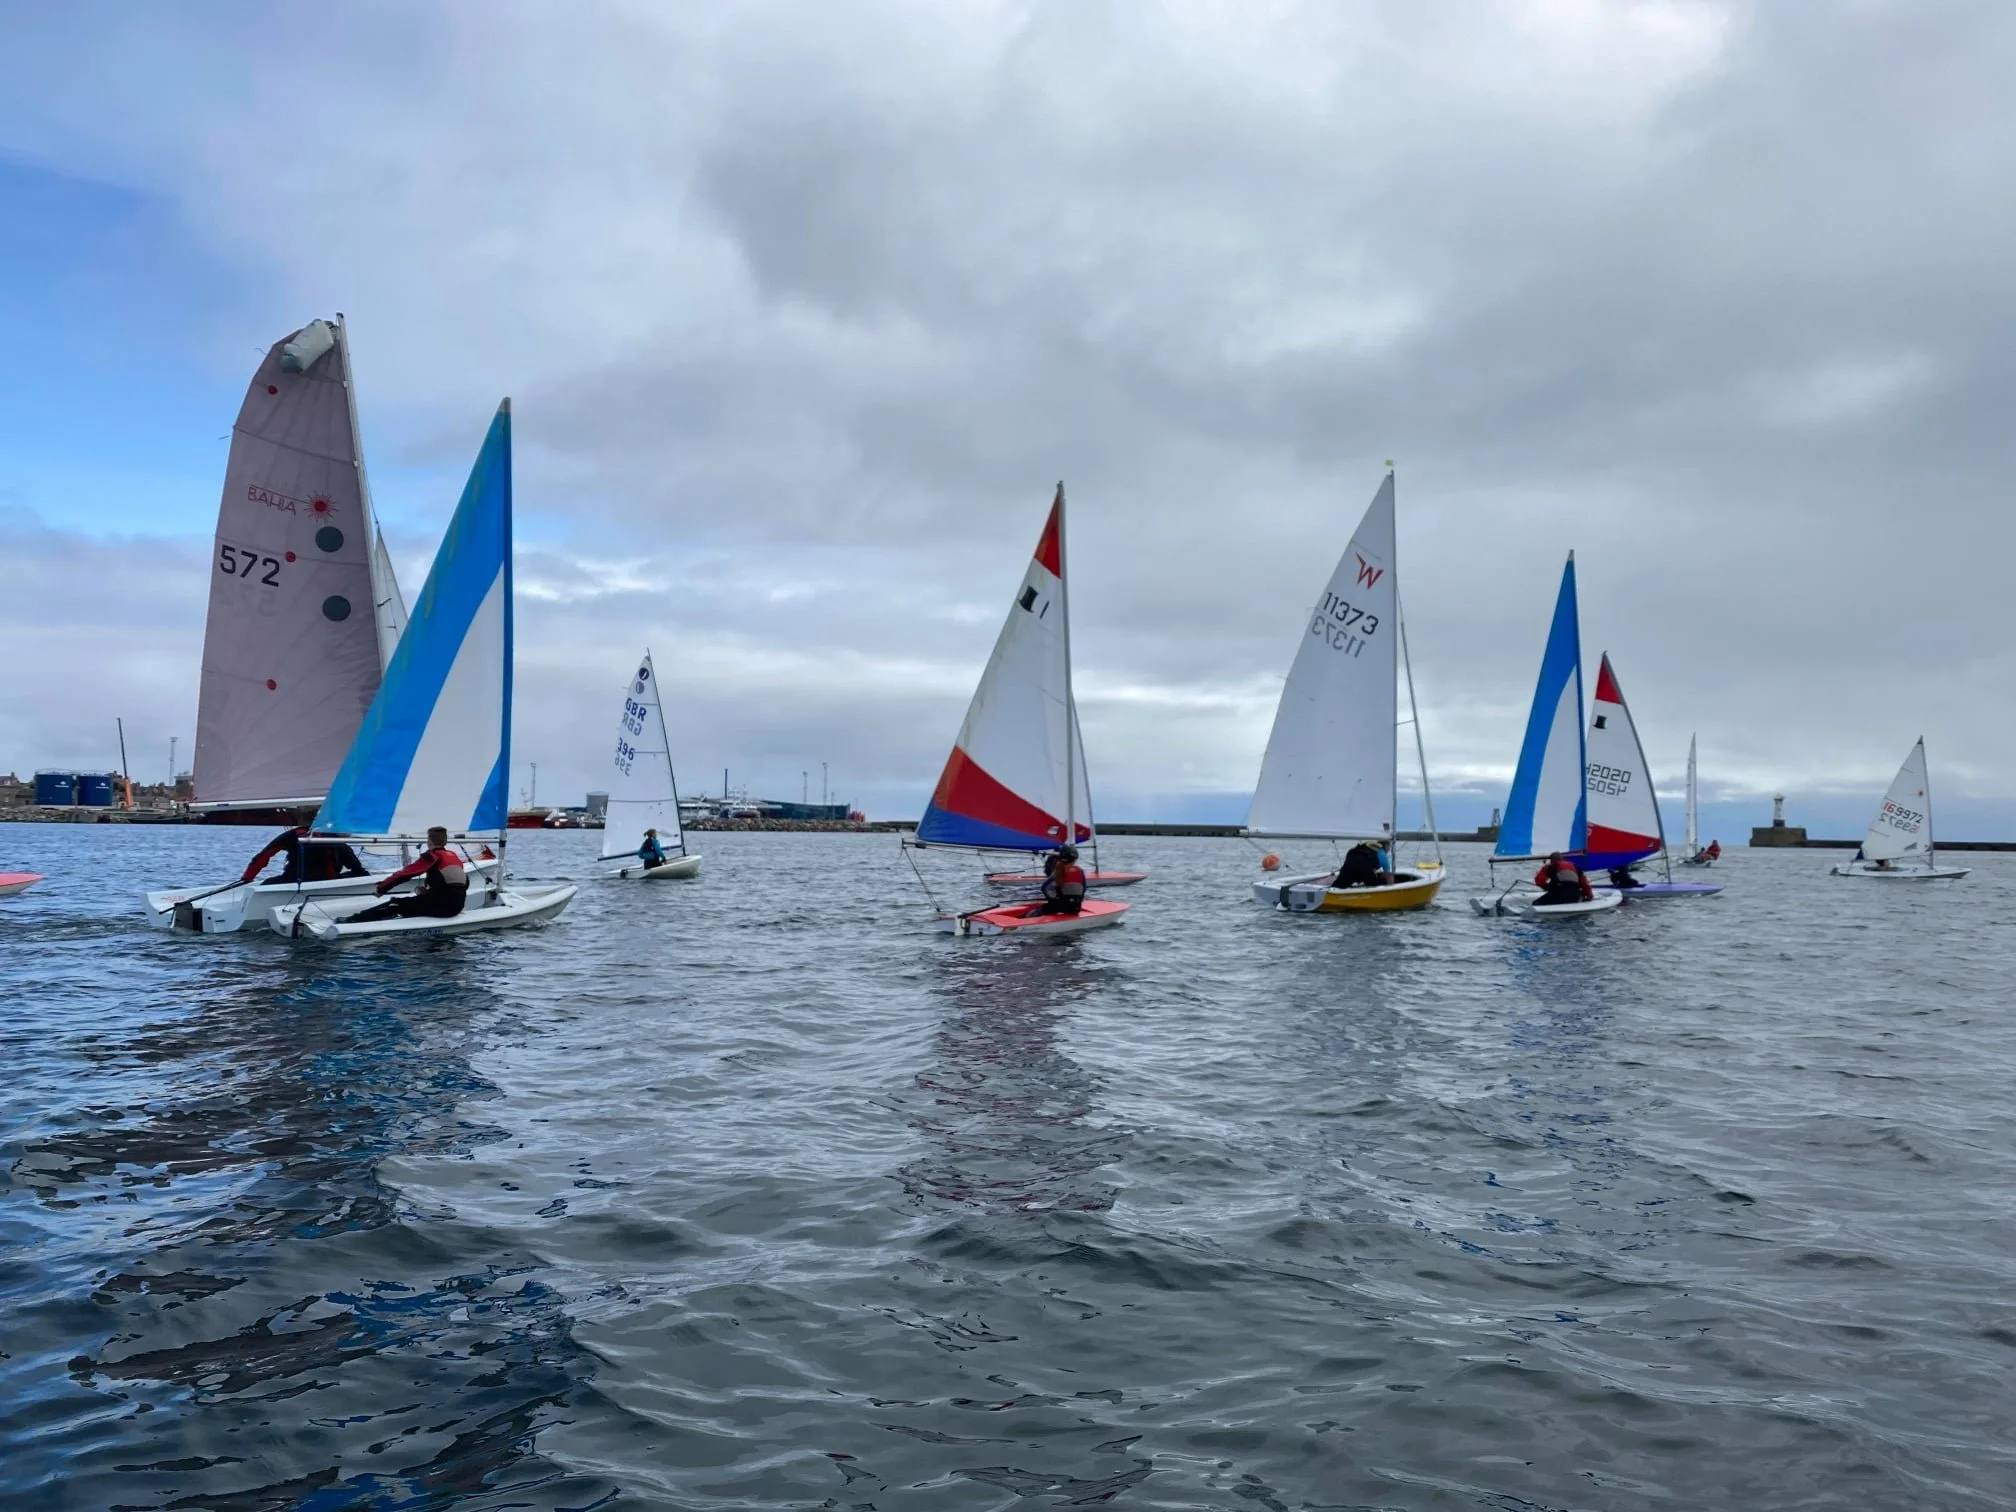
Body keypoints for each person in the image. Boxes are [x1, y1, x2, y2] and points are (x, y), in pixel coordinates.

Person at [349, 827, 469, 922]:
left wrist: (381, 888)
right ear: (445, 841)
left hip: (442, 908)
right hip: (457, 906)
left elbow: (405, 874)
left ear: (429, 841)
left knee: (394, 903)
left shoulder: (432, 856)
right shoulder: (453, 856)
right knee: (413, 902)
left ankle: (354, 920)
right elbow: (458, 883)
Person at [241, 826, 368, 885]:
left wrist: (248, 877)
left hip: (293, 882)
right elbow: (358, 870)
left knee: (266, 883)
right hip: (327, 884)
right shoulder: (341, 845)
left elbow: (263, 856)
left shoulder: (295, 834)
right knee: (358, 874)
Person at [1033, 844, 1087, 916]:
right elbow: (1084, 889)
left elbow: (1044, 888)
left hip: (1060, 907)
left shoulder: (1059, 870)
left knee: (1037, 911)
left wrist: (1052, 900)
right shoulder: (1080, 871)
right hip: (1076, 908)